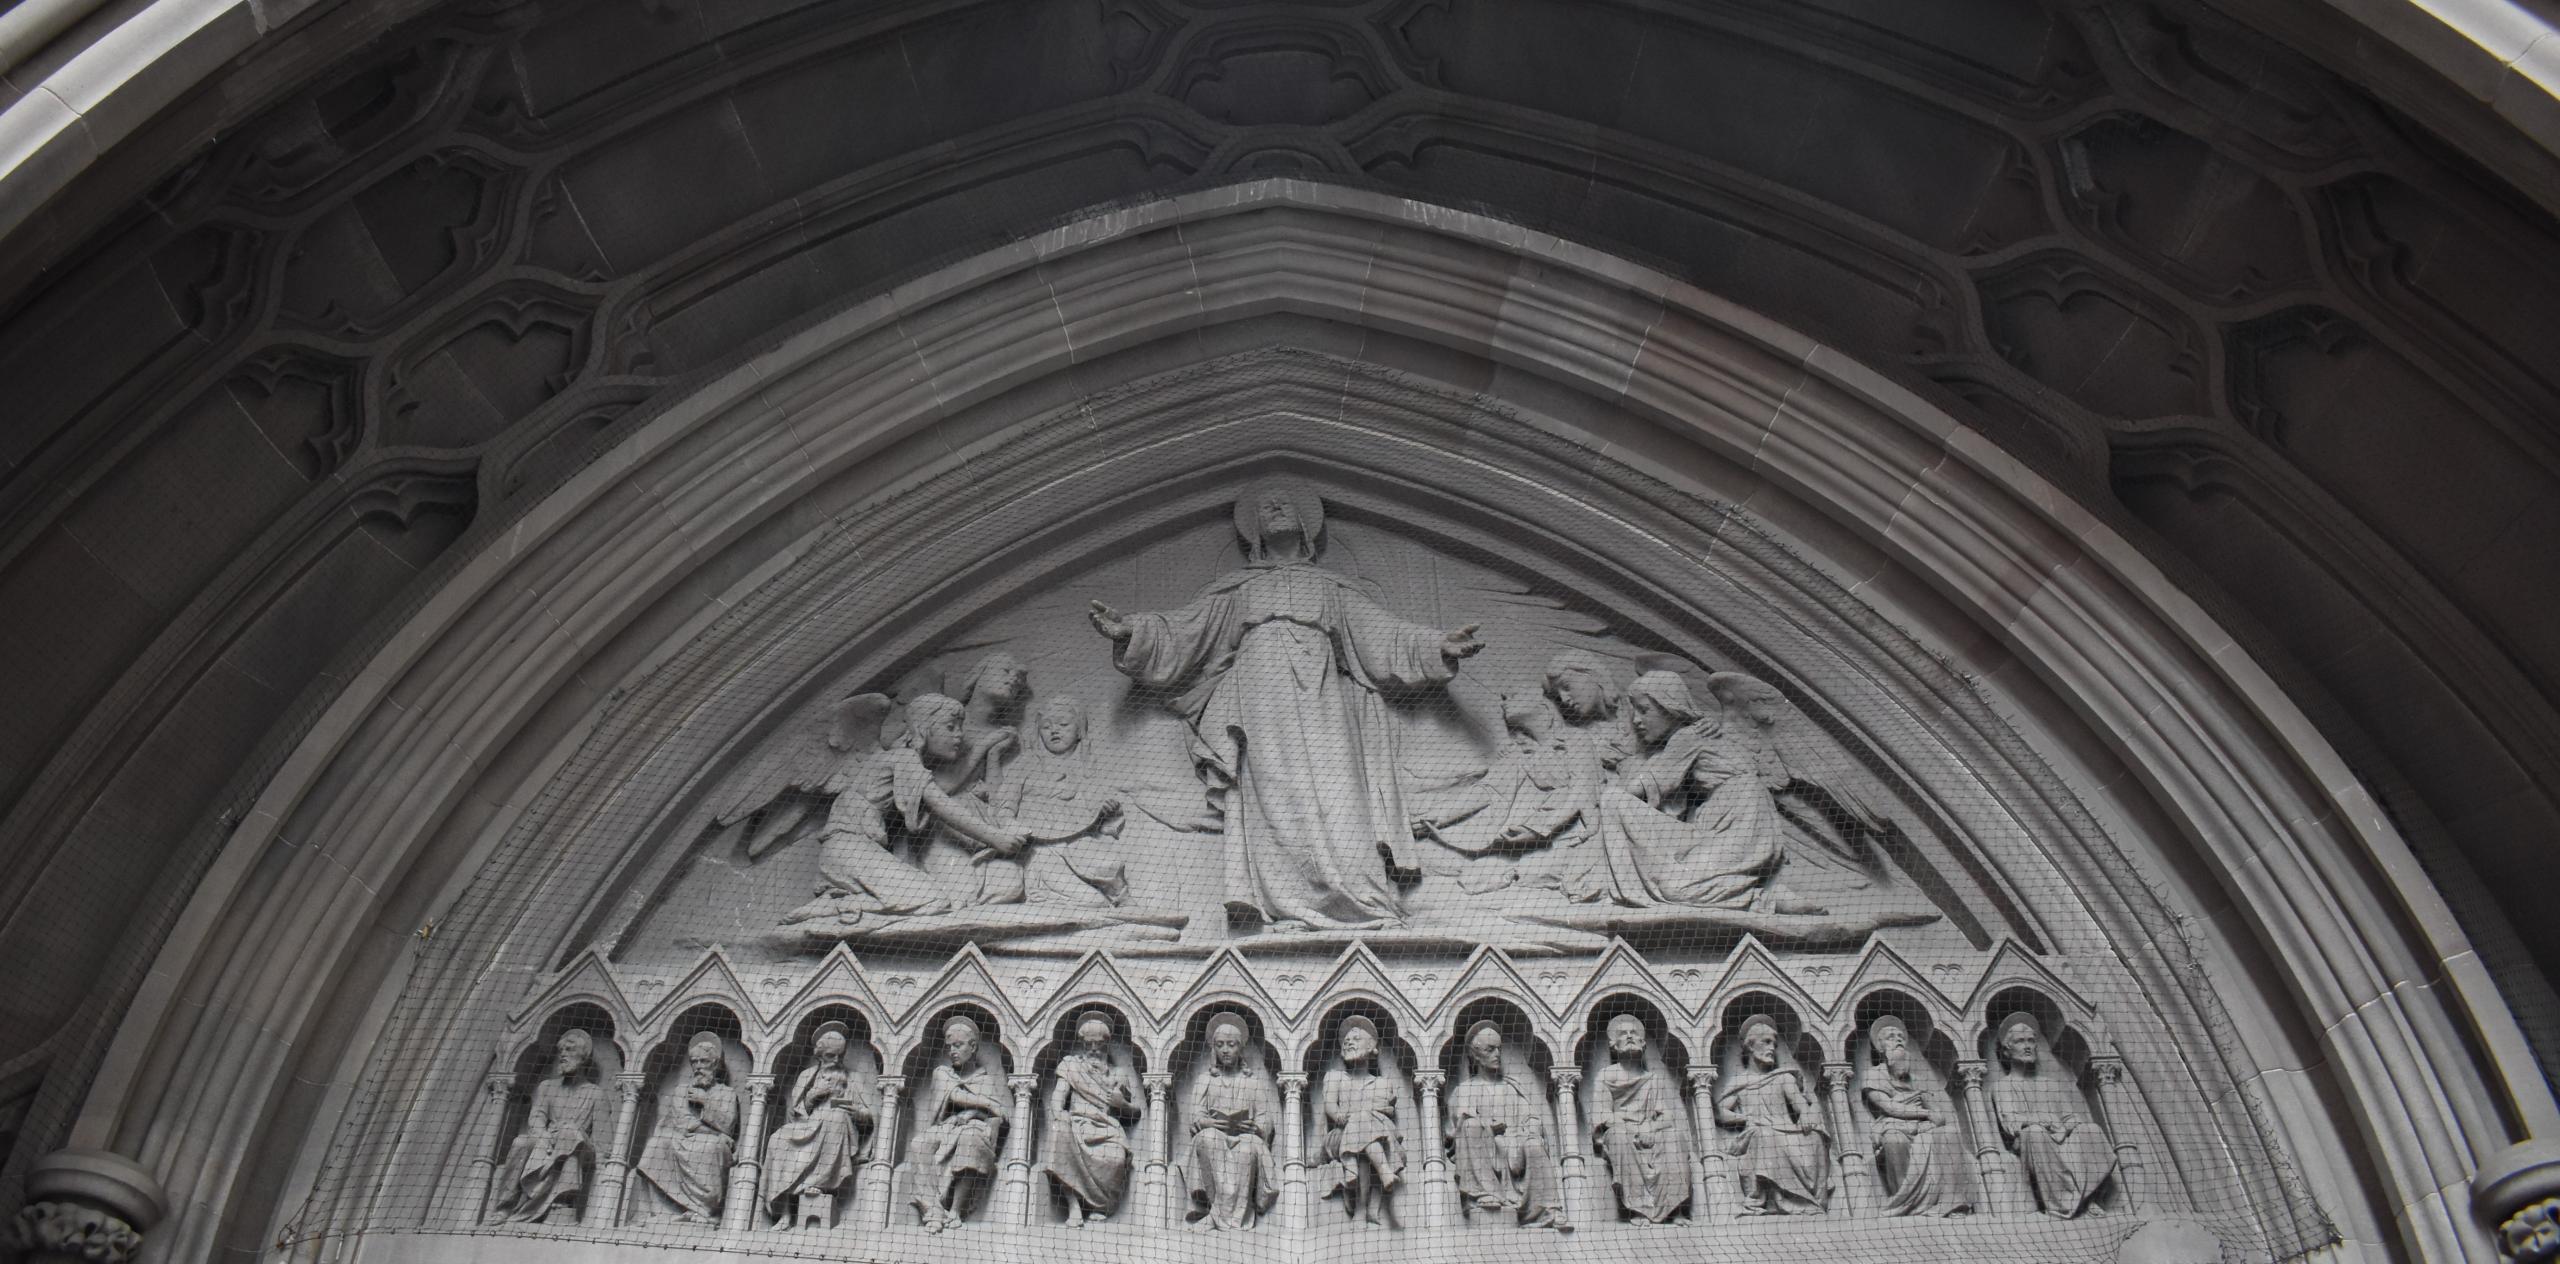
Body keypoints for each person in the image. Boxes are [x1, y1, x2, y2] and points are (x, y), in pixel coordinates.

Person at [1090, 478, 1484, 930]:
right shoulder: (1239, 591)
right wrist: (1131, 632)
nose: (1274, 507)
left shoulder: (1332, 589)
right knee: (1275, 801)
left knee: (1343, 797)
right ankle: (1288, 908)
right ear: (1253, 531)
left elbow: (1385, 635)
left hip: (1325, 706)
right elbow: (1186, 630)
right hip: (1261, 705)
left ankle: (1362, 901)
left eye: (1284, 505)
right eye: (1265, 508)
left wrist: (1438, 645)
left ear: (1305, 525)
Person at [1581, 672, 1799, 911]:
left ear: (1669, 707)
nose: (1635, 720)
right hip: (1718, 819)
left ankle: (1762, 898)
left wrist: (1596, 790)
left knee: (1673, 884)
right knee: (1672, 881)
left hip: (1742, 821)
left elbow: (1647, 785)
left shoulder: (1687, 738)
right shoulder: (1693, 735)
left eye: (1644, 710)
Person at [804, 694, 1030, 921]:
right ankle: (838, 907)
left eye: (959, 727)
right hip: (849, 850)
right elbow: (941, 803)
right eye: (950, 727)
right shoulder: (902, 759)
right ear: (923, 728)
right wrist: (996, 838)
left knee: (941, 896)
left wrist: (988, 748)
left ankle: (846, 903)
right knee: (934, 900)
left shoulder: (902, 760)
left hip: (857, 851)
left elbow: (944, 787)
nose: (959, 735)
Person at [997, 696, 1128, 908]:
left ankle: (1125, 902)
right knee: (1094, 904)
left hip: (1078, 840)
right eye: (1046, 727)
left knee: (1108, 866)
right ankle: (1043, 896)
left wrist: (1106, 810)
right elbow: (1005, 804)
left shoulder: (1087, 766)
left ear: (1079, 731)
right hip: (1040, 847)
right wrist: (1009, 823)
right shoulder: (1025, 764)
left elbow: (1097, 806)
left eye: (1063, 724)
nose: (1054, 731)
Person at [1445, 1020, 1567, 1229]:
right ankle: (1486, 1192)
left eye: (1499, 1049)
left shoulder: (1512, 1088)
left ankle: (1546, 1211)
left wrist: (1531, 1130)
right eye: (1490, 1049)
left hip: (1515, 1143)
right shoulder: (1465, 1090)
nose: (1497, 1054)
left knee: (1534, 1145)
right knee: (1471, 1127)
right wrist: (1490, 1129)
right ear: (1475, 1054)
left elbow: (1531, 1117)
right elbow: (1457, 1128)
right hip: (1484, 1147)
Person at [1991, 1013, 2115, 1218]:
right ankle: (2061, 1205)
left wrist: (2064, 1128)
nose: (2028, 1046)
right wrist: (2044, 1121)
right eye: (2020, 1042)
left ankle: (2085, 1198)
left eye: (2031, 1040)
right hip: (2031, 1142)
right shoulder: (2003, 1087)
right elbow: (2010, 1124)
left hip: (2060, 1137)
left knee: (2090, 1130)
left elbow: (2070, 1117)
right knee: (2036, 1133)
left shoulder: (2050, 1084)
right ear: (2006, 1050)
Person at [490, 1028, 610, 1225]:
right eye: (561, 1050)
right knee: (521, 1142)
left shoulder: (596, 1094)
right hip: (548, 1138)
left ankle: (563, 1202)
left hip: (579, 1146)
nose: (563, 1055)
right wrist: (544, 1136)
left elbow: (604, 1141)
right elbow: (536, 1118)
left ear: (584, 1057)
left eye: (570, 1050)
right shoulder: (547, 1087)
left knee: (569, 1133)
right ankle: (506, 1207)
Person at [759, 1022, 873, 1227]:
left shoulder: (852, 1078)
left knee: (834, 1118)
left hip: (837, 1124)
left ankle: (817, 1184)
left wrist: (852, 1109)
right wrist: (813, 1095)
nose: (836, 1060)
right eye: (831, 1055)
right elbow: (795, 1114)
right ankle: (784, 1212)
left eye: (840, 1055)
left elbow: (868, 1116)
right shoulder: (807, 1076)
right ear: (819, 1054)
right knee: (778, 1138)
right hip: (808, 1125)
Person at [1716, 1014, 1832, 1215]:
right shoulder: (1740, 1082)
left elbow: (1800, 1105)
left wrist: (1806, 1114)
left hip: (1787, 1130)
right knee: (1765, 1136)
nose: (1772, 1048)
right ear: (1750, 1046)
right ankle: (1768, 1201)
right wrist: (1745, 1118)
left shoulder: (1784, 1078)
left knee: (1815, 1138)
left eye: (1774, 1044)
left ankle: (1809, 1201)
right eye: (1766, 1042)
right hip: (1761, 1132)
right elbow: (1721, 1112)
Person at [909, 1016, 1010, 1232]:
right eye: (949, 1047)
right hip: (945, 1130)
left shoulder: (985, 1079)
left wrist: (975, 1113)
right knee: (919, 1143)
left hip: (973, 1130)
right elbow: (954, 1095)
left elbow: (1001, 1116)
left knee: (970, 1138)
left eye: (958, 1045)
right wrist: (984, 1104)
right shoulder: (942, 1074)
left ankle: (955, 1210)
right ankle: (933, 1210)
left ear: (972, 1047)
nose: (952, 1051)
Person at [1040, 1012, 1142, 1225]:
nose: (1094, 1049)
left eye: (1098, 1044)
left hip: (1107, 1128)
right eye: (1089, 1044)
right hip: (1078, 1123)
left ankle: (1101, 1205)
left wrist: (1121, 1104)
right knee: (1060, 1132)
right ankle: (1074, 1206)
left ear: (1107, 1044)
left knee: (1116, 1158)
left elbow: (1135, 1112)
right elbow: (1057, 1099)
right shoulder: (1071, 1065)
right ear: (1082, 1043)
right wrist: (1060, 1114)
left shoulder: (1119, 1073)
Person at [1590, 1013, 1691, 1225]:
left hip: (1649, 1132)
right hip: (1623, 1132)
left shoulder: (1652, 1079)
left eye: (1634, 1033)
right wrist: (1635, 1129)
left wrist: (1651, 1128)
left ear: (1643, 1044)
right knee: (1618, 1136)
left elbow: (1667, 1116)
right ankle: (1638, 1209)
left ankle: (1674, 1209)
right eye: (1623, 1034)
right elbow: (1602, 1115)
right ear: (1613, 1044)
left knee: (1673, 1137)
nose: (1629, 1036)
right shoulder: (1606, 1076)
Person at [1181, 1014, 1279, 1231]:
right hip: (1215, 1135)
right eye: (1220, 1045)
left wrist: (1256, 1127)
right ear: (1214, 1048)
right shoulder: (1205, 1080)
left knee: (1247, 1149)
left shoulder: (1252, 1082)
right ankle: (1223, 1217)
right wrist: (1209, 1123)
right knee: (1209, 1139)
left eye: (1231, 1045)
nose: (1225, 1050)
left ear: (1240, 1048)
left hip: (1245, 1137)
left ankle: (1219, 1219)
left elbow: (1265, 1118)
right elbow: (1195, 1116)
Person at [1862, 1016, 1968, 1217]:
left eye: (1901, 1036)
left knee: (1949, 1134)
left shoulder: (1918, 1081)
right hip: (1892, 1125)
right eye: (1891, 1037)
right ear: (1880, 1047)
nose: (1898, 1040)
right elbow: (1889, 1107)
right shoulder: (1873, 1075)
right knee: (1894, 1139)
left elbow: (1937, 1114)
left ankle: (1952, 1203)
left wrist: (1932, 1118)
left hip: (1922, 1129)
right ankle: (1905, 1203)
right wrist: (1925, 1113)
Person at [631, 1032, 738, 1224]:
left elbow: (728, 1126)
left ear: (715, 1064)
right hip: (682, 1137)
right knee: (656, 1145)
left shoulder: (726, 1093)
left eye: (703, 1061)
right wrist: (714, 1131)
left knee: (711, 1148)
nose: (698, 1067)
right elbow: (683, 1123)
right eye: (694, 1062)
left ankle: (704, 1212)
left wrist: (704, 1102)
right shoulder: (681, 1090)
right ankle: (662, 1212)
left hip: (710, 1144)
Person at [1316, 1015, 1404, 1225]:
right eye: (1346, 1041)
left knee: (1363, 1137)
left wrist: (1361, 1114)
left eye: (1356, 1039)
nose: (1349, 1043)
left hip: (1379, 1134)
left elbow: (1386, 1111)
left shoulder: (1383, 1083)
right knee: (1362, 1124)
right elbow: (1330, 1105)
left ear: (1373, 1047)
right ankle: (1383, 1175)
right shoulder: (1334, 1077)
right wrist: (1339, 1116)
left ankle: (1361, 1203)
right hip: (1339, 1135)